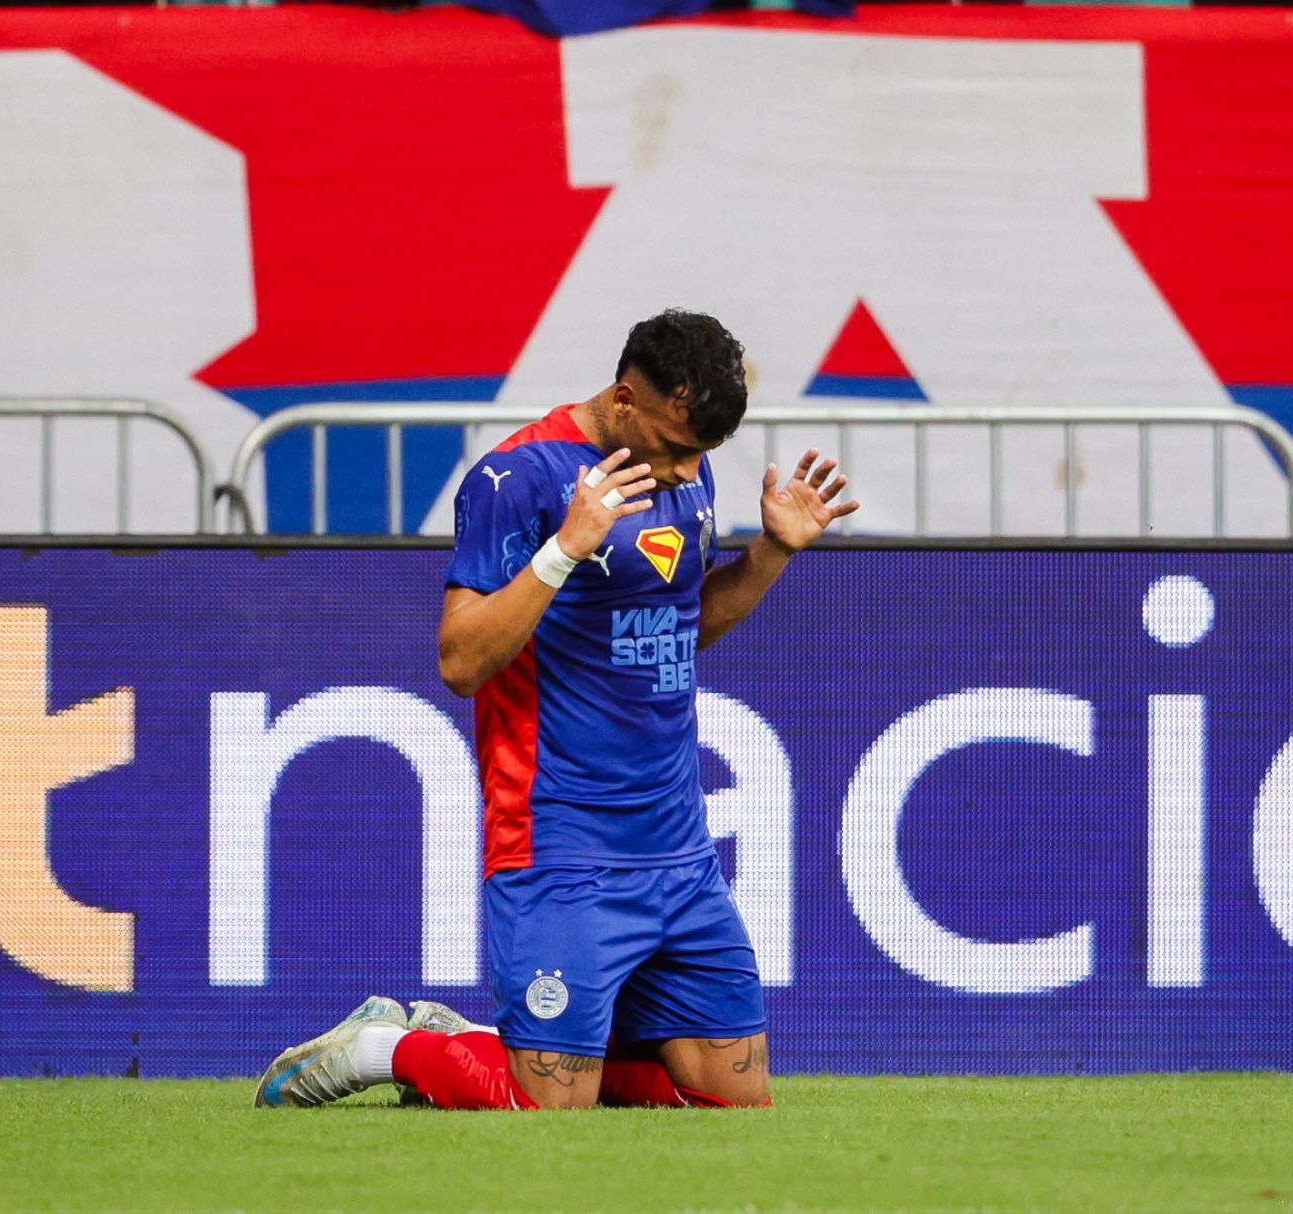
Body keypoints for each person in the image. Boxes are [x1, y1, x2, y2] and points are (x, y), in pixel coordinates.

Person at [254, 309, 857, 1111]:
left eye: (703, 454)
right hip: (560, 840)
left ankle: (474, 1043)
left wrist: (771, 552)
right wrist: (567, 548)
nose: (687, 471)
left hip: (678, 846)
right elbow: (461, 661)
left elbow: (679, 626)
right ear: (625, 400)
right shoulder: (517, 479)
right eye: (677, 448)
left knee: (732, 1103)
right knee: (546, 1107)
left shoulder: (686, 473)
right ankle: (381, 1047)